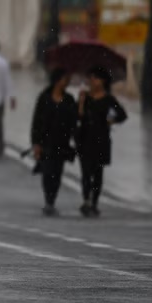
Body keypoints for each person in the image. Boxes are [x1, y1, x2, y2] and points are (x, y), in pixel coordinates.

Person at [76, 66, 128, 217]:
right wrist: (80, 103)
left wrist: (110, 121)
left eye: (95, 78)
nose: (92, 81)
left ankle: (94, 202)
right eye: (90, 78)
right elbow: (78, 117)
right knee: (85, 173)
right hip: (84, 139)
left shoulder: (109, 99)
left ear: (102, 81)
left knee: (97, 173)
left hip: (101, 140)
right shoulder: (85, 97)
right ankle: (86, 200)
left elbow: (122, 115)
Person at [30, 68, 78, 216]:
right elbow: (36, 122)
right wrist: (35, 144)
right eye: (65, 79)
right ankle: (48, 200)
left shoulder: (69, 99)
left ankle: (52, 200)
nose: (68, 81)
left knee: (57, 172)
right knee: (47, 172)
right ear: (58, 80)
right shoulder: (44, 98)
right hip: (46, 142)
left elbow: (74, 121)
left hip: (62, 142)